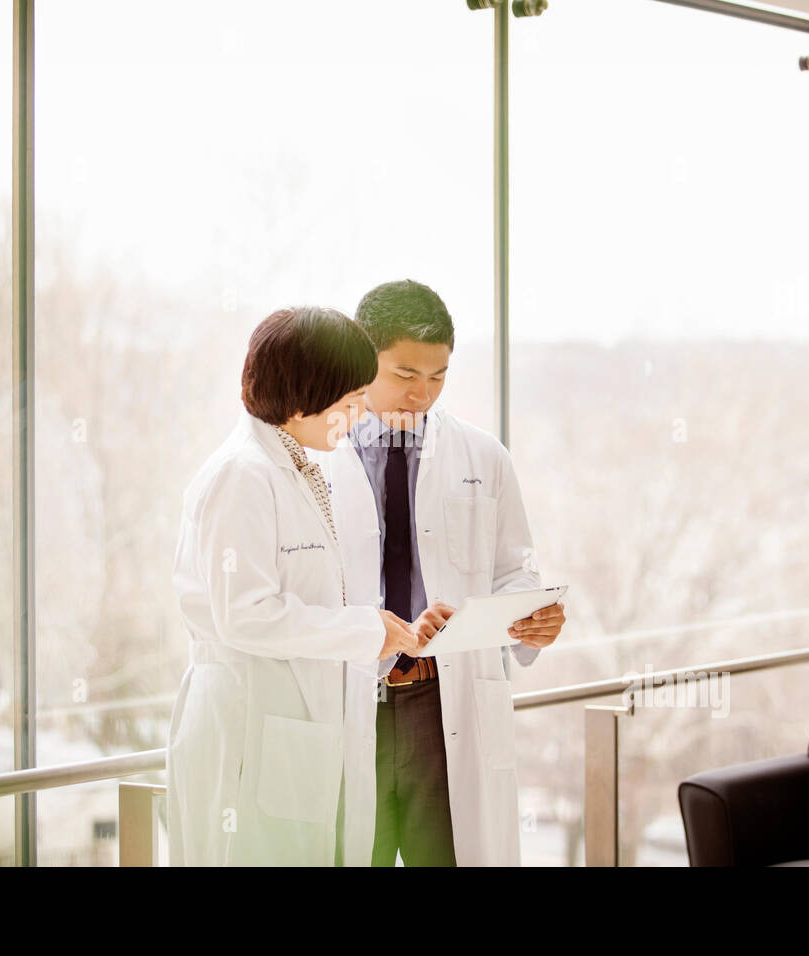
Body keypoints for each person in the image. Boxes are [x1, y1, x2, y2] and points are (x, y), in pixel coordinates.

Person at [311, 279, 566, 866]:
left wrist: (534, 617)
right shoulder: (320, 459)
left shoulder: (482, 457)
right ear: (362, 359)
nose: (422, 394)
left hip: (440, 702)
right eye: (405, 375)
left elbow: (515, 570)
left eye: (438, 376)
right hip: (353, 699)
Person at [167, 306, 419, 866]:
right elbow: (246, 614)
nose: (356, 418)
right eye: (349, 403)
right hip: (245, 727)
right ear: (304, 398)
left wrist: (378, 634)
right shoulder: (243, 476)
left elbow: (307, 607)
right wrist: (361, 630)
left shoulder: (295, 467)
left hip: (289, 731)